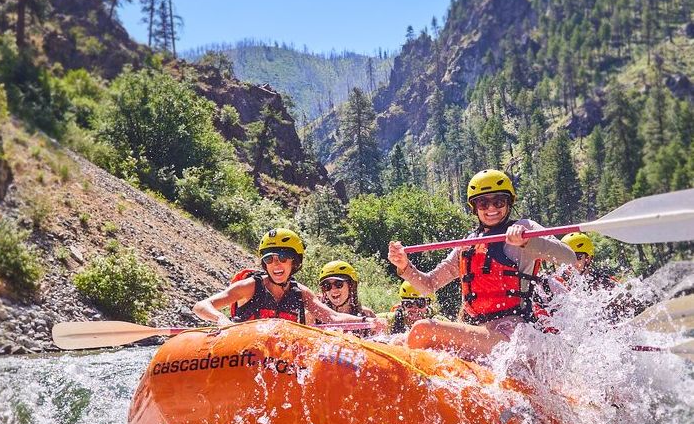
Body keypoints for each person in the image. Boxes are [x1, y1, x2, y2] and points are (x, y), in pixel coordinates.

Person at [387, 168, 577, 359]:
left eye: (498, 201)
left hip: (514, 335)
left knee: (423, 330)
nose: (491, 208)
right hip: (481, 331)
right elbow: (429, 285)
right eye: (483, 203)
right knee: (397, 342)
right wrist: (404, 266)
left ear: (509, 202)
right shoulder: (469, 244)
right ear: (474, 207)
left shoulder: (524, 228)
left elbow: (569, 257)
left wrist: (527, 241)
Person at [193, 228, 381, 331]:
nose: (276, 265)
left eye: (283, 258)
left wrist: (367, 321)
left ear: (294, 263)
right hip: (243, 355)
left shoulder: (301, 293)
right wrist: (220, 319)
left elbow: (332, 317)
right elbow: (201, 306)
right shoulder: (249, 287)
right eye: (269, 259)